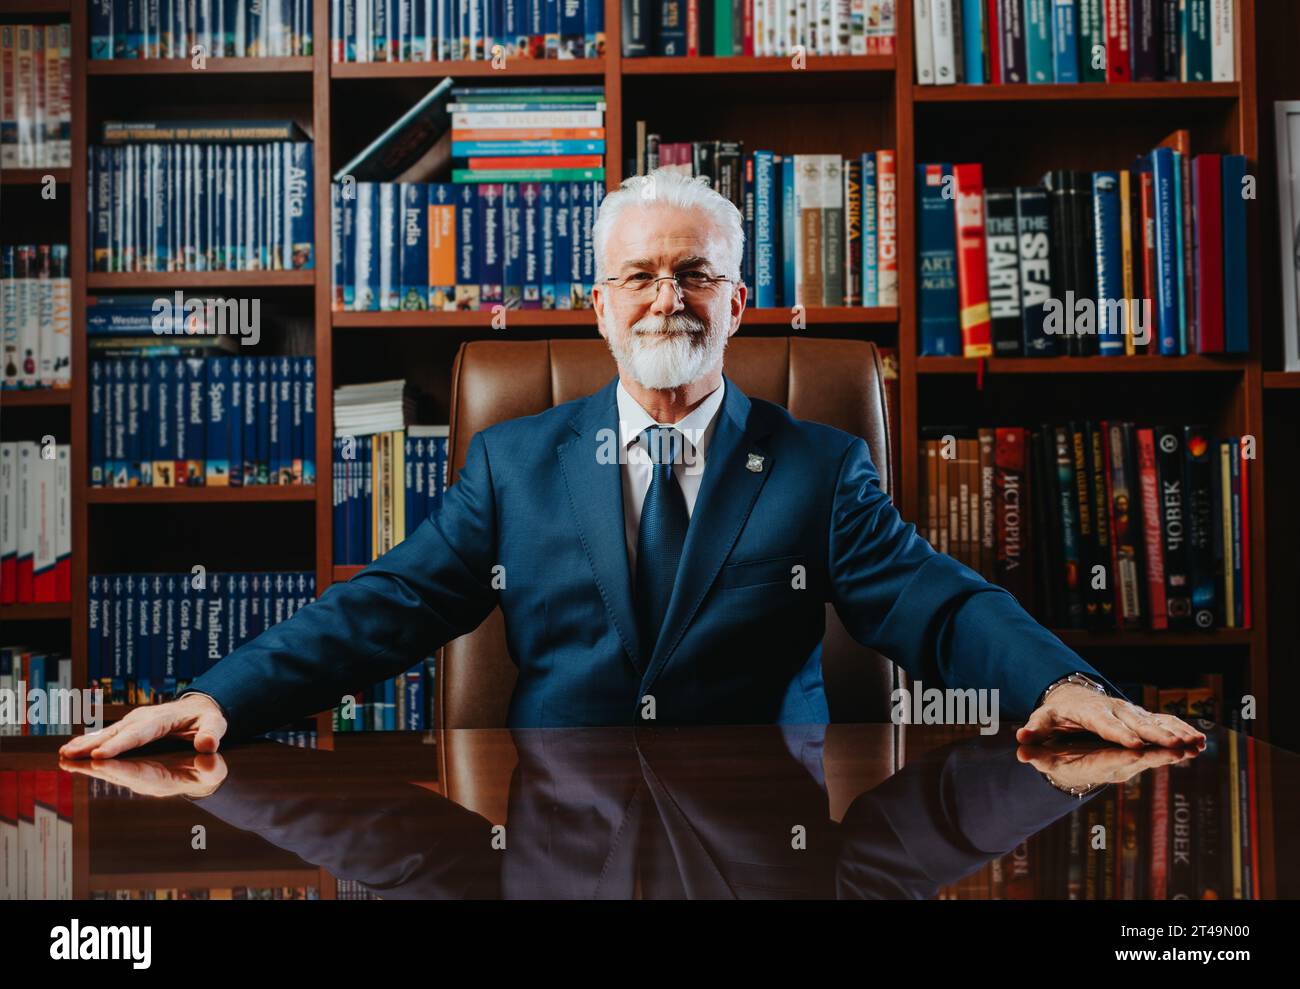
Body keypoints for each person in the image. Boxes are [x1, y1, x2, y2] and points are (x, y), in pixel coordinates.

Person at [61, 170, 1206, 762]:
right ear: (599, 306)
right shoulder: (515, 463)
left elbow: (937, 605)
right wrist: (215, 697)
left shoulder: (818, 463)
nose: (669, 297)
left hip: (770, 827)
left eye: (695, 274)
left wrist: (1068, 687)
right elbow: (389, 604)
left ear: (738, 302)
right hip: (550, 825)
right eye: (642, 276)